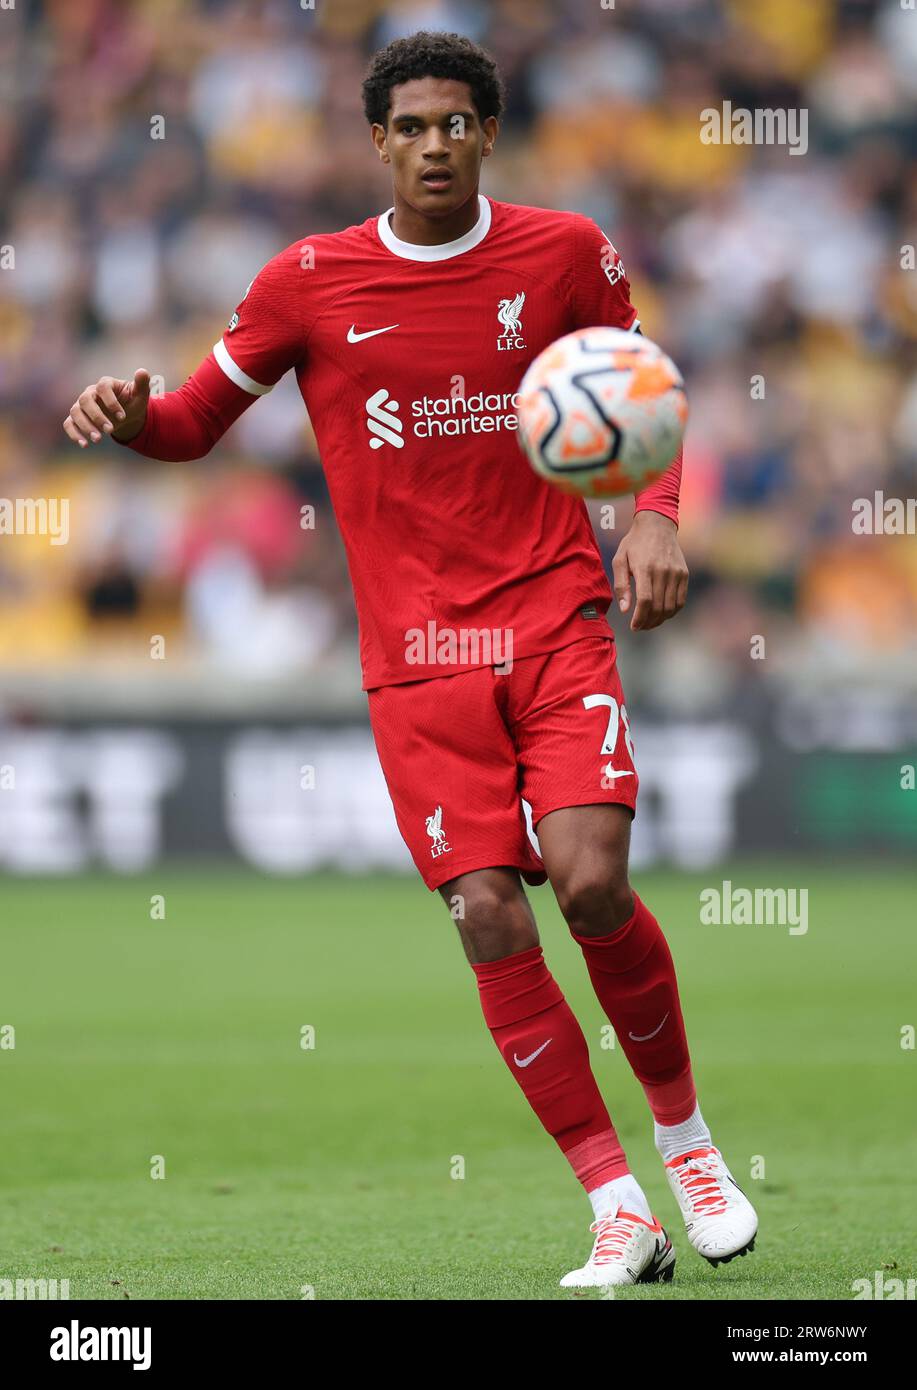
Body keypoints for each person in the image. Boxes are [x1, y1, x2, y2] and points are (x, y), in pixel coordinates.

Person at [63, 29, 757, 1289]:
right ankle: (616, 1203)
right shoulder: (305, 283)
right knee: (489, 912)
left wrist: (652, 524)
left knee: (590, 879)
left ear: (487, 133)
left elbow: (643, 385)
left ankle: (688, 1144)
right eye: (409, 126)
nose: (433, 143)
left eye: (455, 123)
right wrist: (129, 417)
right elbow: (192, 424)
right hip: (417, 656)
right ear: (376, 142)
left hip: (550, 617)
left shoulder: (561, 252)